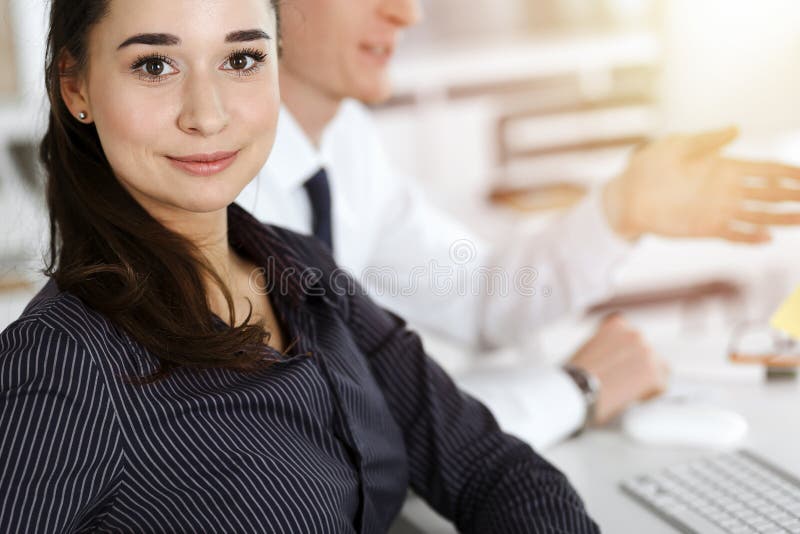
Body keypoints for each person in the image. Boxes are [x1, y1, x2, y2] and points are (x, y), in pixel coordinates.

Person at [0, 0, 601, 532]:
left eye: (241, 60)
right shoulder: (62, 363)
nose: (207, 115)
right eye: (155, 66)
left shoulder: (301, 268)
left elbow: (489, 467)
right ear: (76, 88)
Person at [236, 0, 800, 447]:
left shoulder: (346, 141)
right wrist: (578, 389)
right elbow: (337, 436)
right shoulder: (218, 184)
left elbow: (482, 297)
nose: (407, 13)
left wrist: (621, 211)